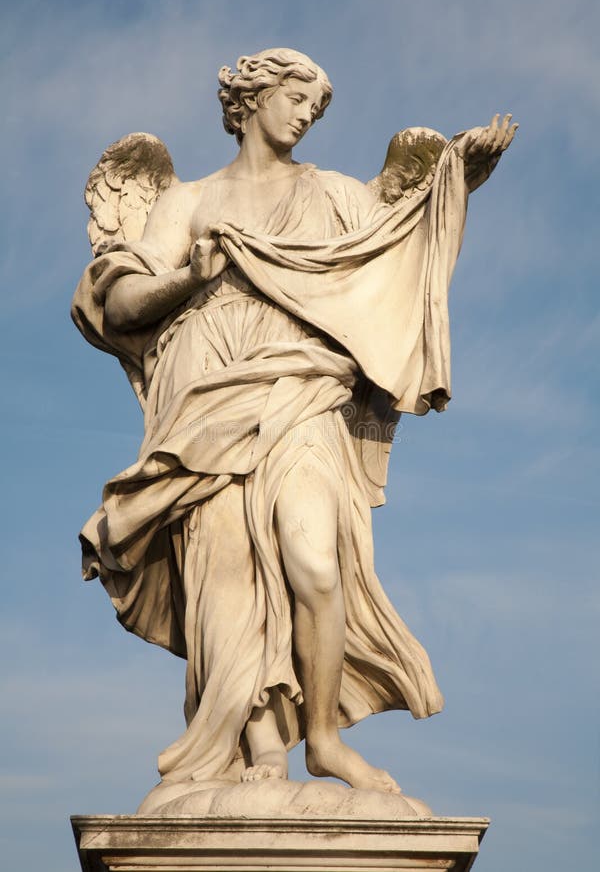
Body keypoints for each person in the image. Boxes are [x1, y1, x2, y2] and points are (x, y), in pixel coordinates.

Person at [72, 48, 516, 797]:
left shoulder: (337, 194)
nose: (307, 113)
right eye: (296, 96)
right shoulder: (187, 201)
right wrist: (190, 276)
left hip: (304, 391)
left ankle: (323, 738)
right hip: (209, 402)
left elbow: (401, 253)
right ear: (251, 99)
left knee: (315, 564)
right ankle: (261, 744)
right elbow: (117, 304)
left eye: (317, 104)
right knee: (230, 577)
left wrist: (454, 181)